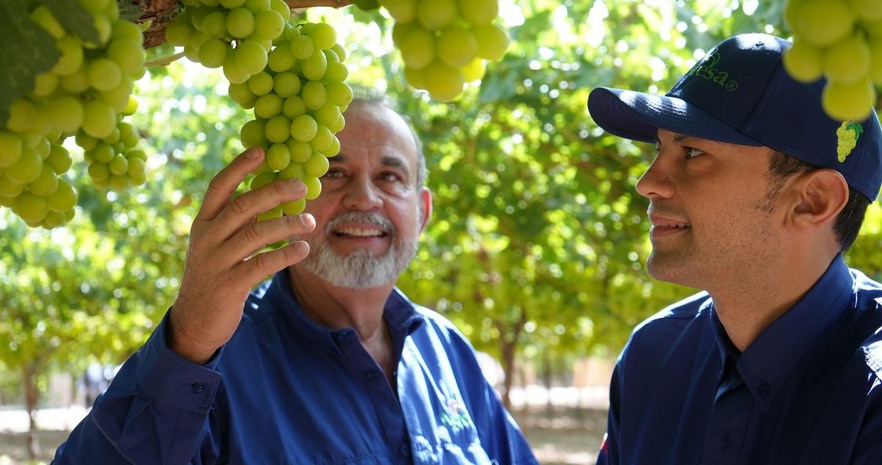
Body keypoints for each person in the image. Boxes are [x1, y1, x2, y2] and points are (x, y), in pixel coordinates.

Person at [52, 90, 538, 465]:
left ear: (423, 210)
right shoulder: (210, 361)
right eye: (333, 174)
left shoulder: (444, 349)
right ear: (286, 198)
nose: (365, 198)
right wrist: (187, 341)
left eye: (390, 178)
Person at [586, 33, 882, 464]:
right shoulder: (652, 355)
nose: (647, 182)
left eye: (691, 152)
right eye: (659, 147)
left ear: (811, 201)